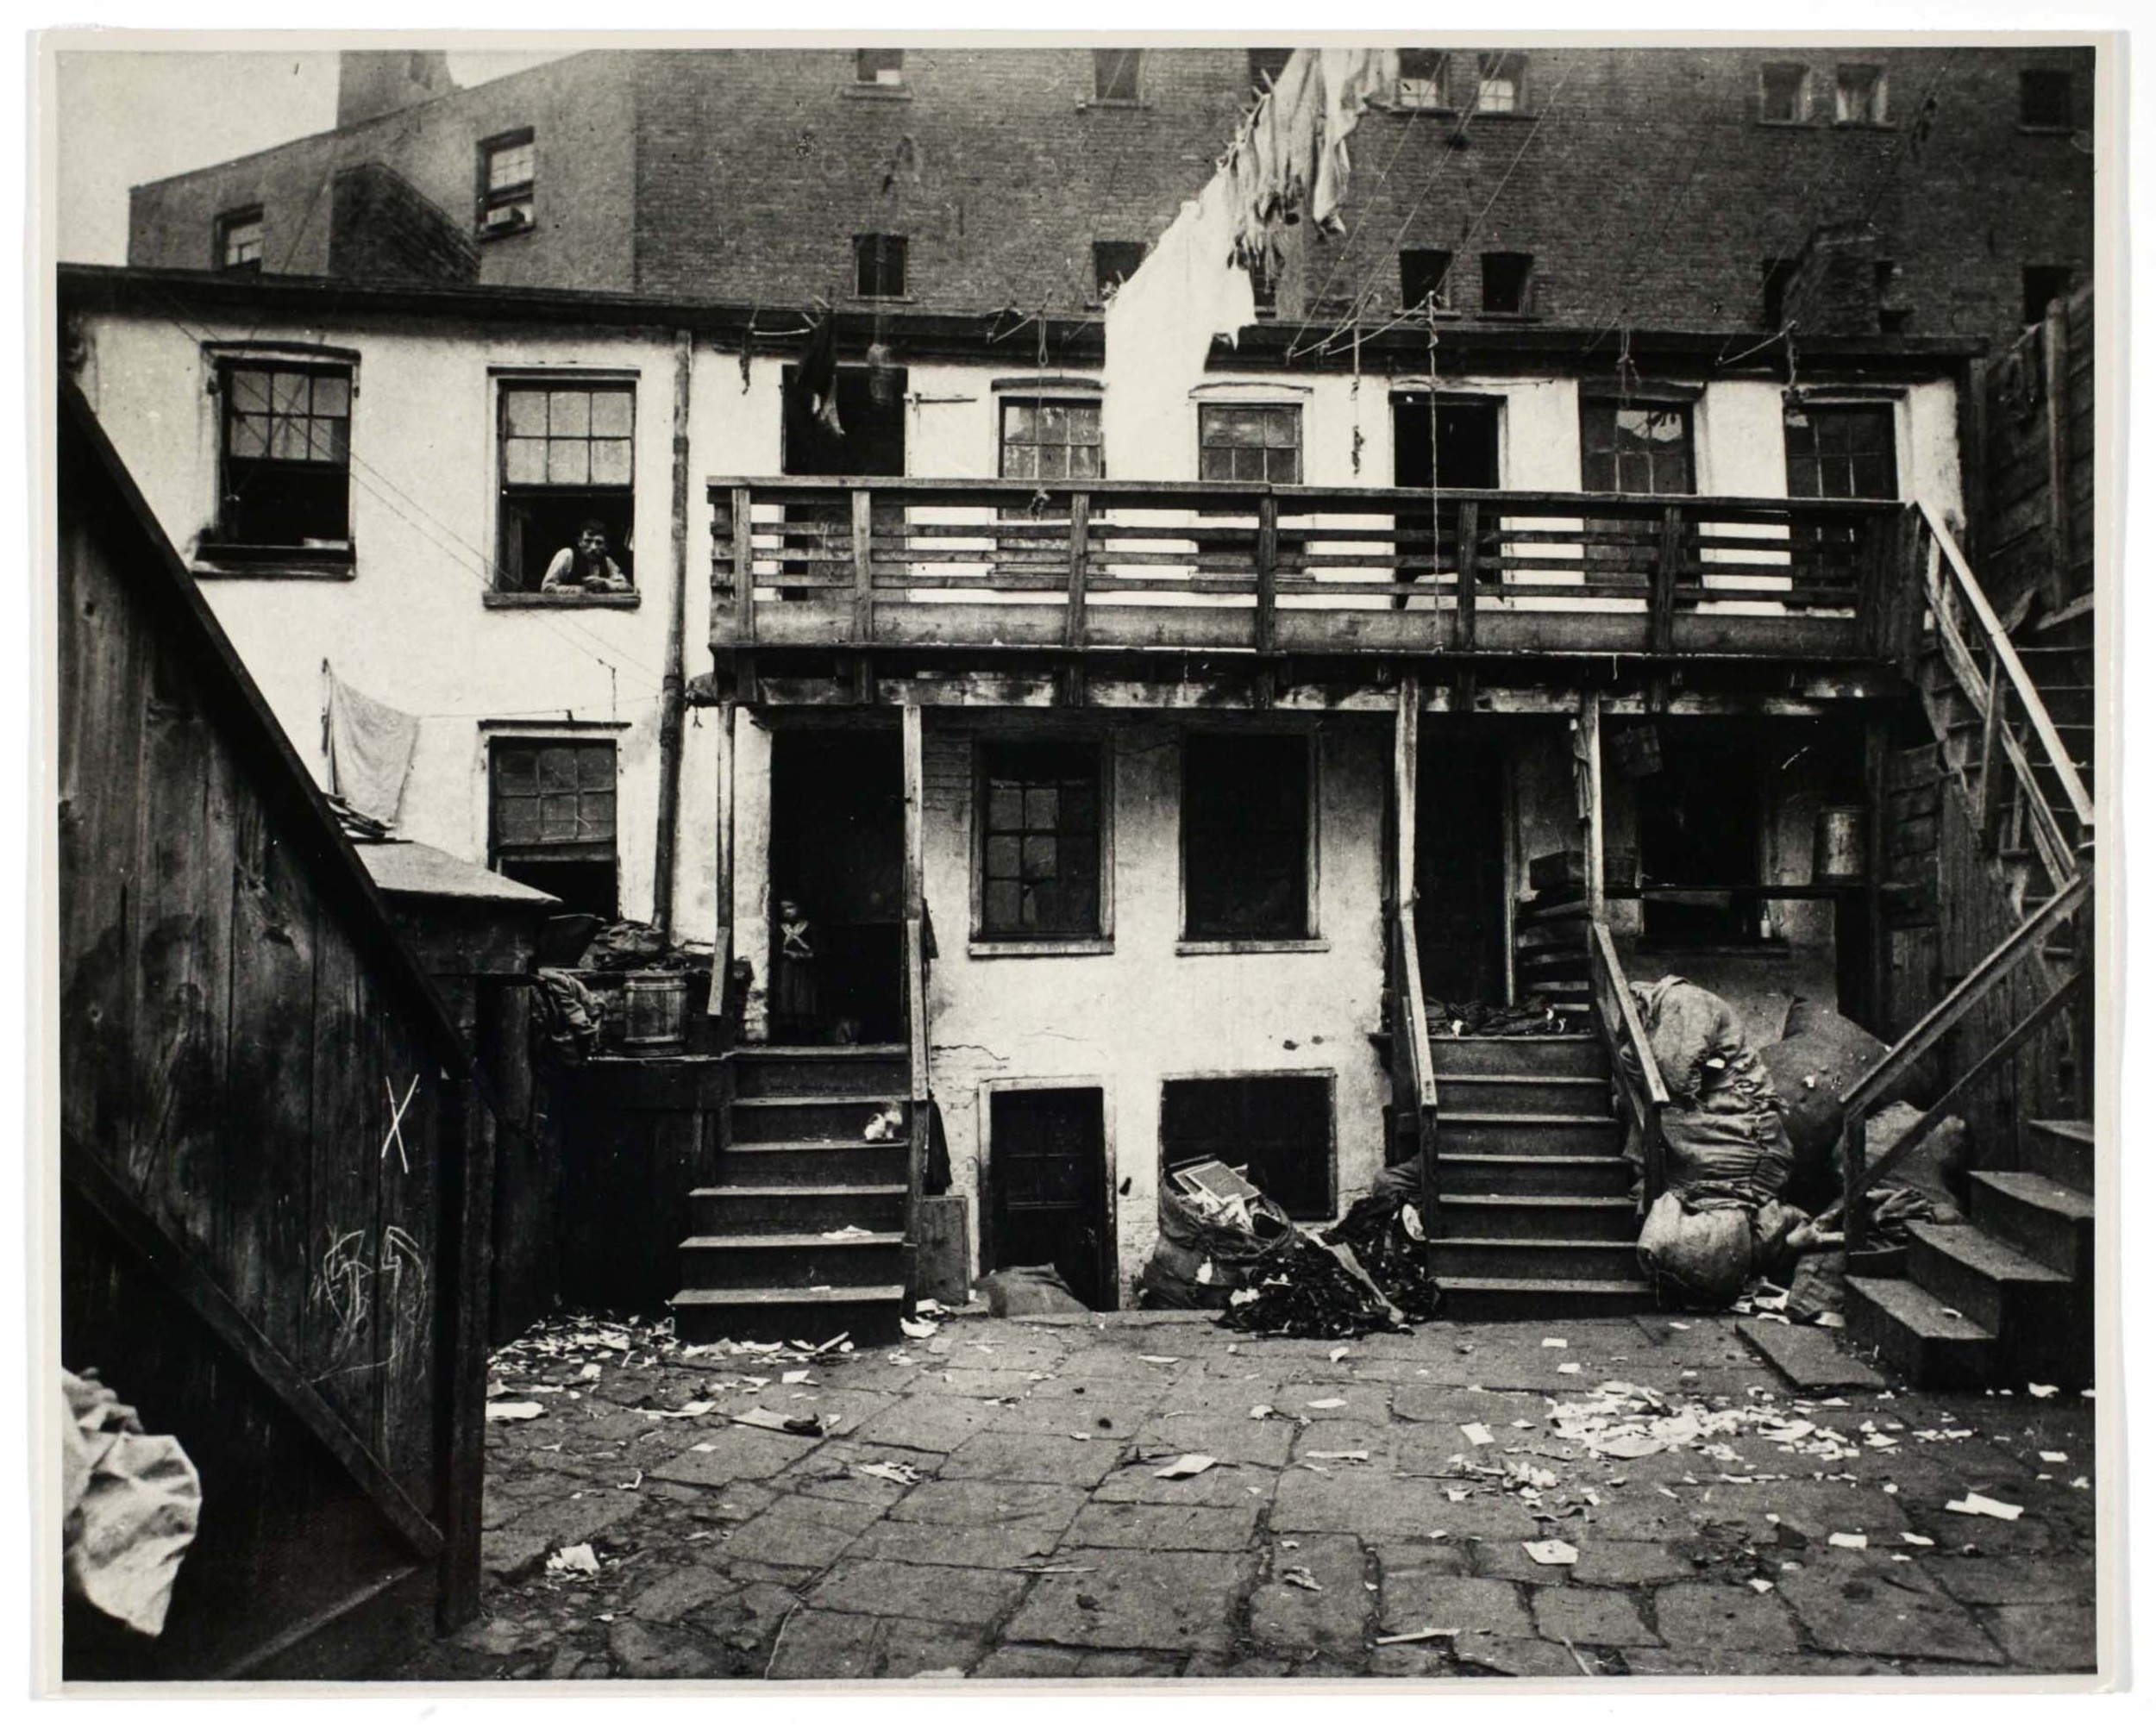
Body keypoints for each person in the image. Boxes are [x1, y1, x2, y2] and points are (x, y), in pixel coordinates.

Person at [773, 898, 820, 1042]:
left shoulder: (809, 927)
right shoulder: (780, 928)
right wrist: (785, 954)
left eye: (791, 907)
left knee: (804, 999)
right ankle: (788, 1032)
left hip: (805, 969)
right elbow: (775, 949)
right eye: (784, 909)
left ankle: (806, 1032)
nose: (788, 912)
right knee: (786, 997)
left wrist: (802, 955)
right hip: (786, 968)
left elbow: (819, 950)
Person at [542, 519, 632, 594]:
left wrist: (605, 583)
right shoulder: (567, 555)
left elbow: (627, 587)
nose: (593, 547)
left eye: (599, 543)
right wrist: (579, 590)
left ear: (605, 546)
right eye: (588, 541)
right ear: (579, 542)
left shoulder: (607, 561)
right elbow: (547, 588)